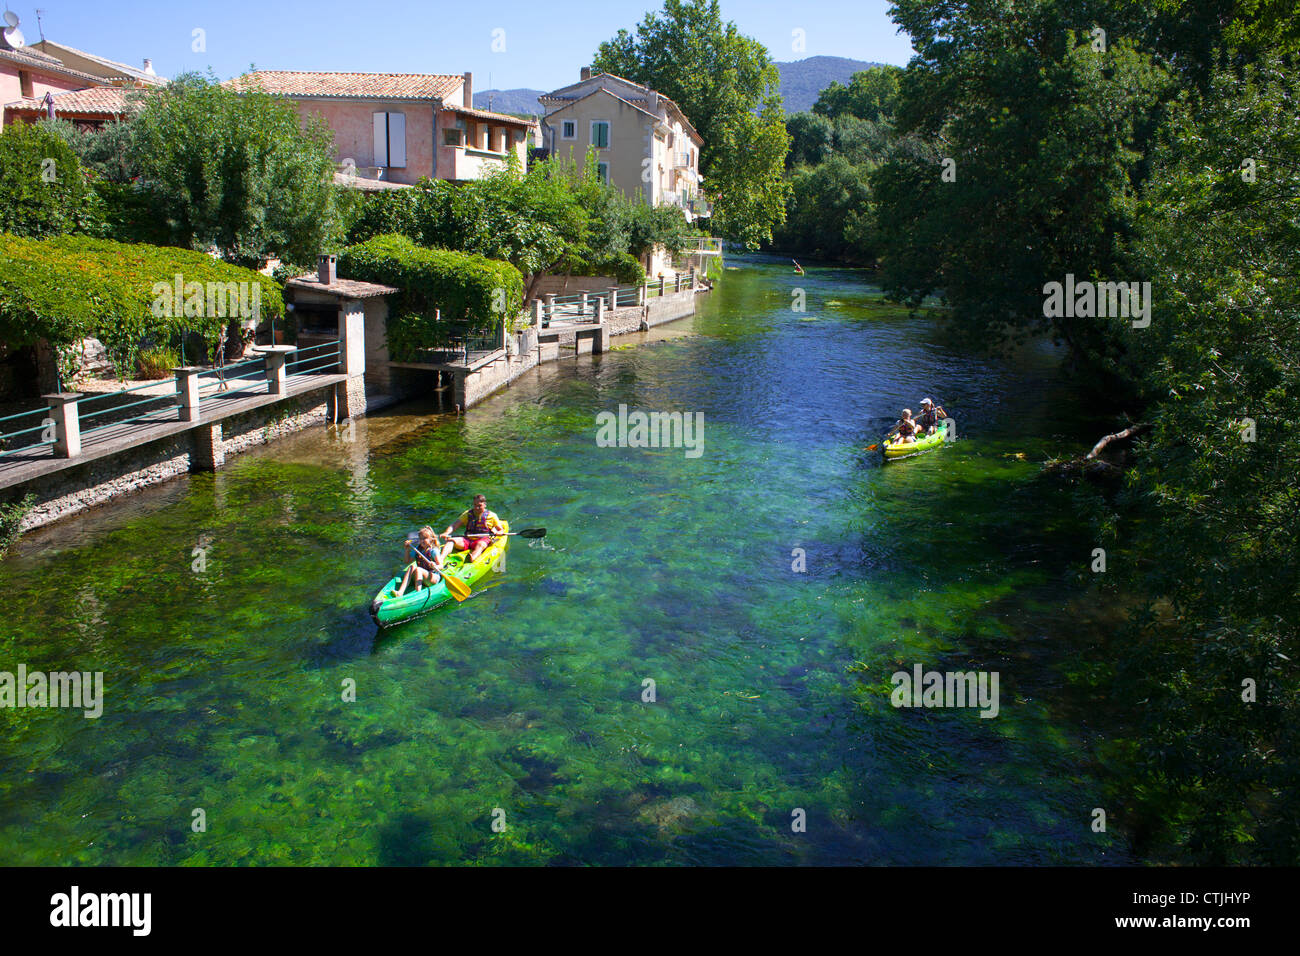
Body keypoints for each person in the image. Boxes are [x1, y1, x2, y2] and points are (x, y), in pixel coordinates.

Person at [440, 494, 504, 564]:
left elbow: (501, 529)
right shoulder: (467, 514)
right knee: (450, 540)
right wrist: (446, 533)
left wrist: (499, 532)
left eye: (479, 505)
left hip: (482, 539)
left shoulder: (492, 516)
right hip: (467, 539)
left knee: (481, 545)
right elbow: (454, 525)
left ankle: (472, 558)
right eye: (475, 505)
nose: (476, 508)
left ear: (485, 504)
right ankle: (441, 559)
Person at [394, 526, 444, 598]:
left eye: (425, 538)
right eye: (420, 539)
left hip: (433, 578)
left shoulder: (434, 550)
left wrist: (435, 565)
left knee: (418, 569)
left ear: (431, 539)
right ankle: (400, 592)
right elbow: (407, 561)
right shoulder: (418, 549)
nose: (422, 540)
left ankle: (418, 593)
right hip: (421, 576)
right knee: (411, 567)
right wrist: (407, 550)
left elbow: (441, 566)